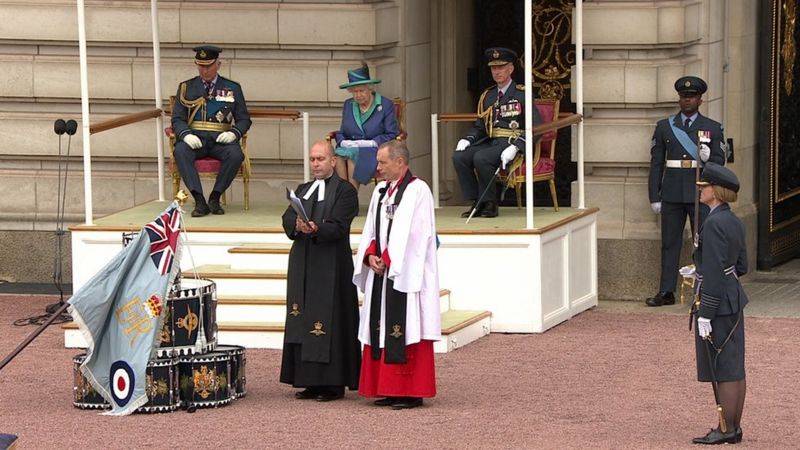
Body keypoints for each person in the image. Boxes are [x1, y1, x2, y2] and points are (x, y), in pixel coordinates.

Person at [353, 140, 441, 410]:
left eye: (382, 162)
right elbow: (371, 227)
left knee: (406, 325)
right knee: (379, 327)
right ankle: (387, 388)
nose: (377, 168)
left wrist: (389, 259)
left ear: (400, 162)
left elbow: (417, 234)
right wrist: (370, 255)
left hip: (404, 274)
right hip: (382, 271)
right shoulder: (381, 191)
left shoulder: (419, 191)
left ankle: (409, 391)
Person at [279, 140, 361, 401]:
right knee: (302, 317)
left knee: (331, 320)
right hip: (303, 262)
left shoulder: (345, 192)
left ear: (333, 161)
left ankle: (332, 383)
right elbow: (287, 217)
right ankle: (308, 380)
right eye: (313, 159)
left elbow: (339, 225)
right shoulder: (303, 189)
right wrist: (297, 225)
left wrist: (316, 229)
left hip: (331, 265)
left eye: (320, 159)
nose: (315, 164)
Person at [646, 76, 727, 306]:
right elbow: (656, 163)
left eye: (691, 97)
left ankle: (706, 290)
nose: (687, 100)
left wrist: (707, 158)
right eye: (684, 97)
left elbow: (720, 162)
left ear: (700, 100)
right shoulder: (664, 127)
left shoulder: (712, 127)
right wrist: (655, 195)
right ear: (679, 99)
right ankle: (666, 291)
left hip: (700, 191)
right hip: (672, 192)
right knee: (669, 242)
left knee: (703, 242)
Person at [688, 162, 747, 444]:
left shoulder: (712, 223)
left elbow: (713, 272)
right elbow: (740, 266)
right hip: (733, 297)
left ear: (717, 191)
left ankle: (725, 429)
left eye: (705, 187)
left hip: (717, 302)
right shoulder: (733, 221)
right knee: (733, 365)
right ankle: (733, 428)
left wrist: (705, 313)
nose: (701, 191)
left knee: (722, 366)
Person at [452, 47, 543, 218]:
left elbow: (536, 126)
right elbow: (480, 126)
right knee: (460, 157)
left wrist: (517, 146)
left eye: (501, 67)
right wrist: (468, 139)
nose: (497, 72)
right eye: (494, 68)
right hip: (491, 139)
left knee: (481, 157)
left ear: (511, 69)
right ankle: (477, 200)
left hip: (509, 141)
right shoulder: (488, 95)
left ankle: (490, 204)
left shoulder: (522, 94)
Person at [171, 45, 251, 217]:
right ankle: (199, 200)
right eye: (200, 65)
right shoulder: (186, 87)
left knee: (236, 154)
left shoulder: (232, 88)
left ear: (218, 65)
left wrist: (234, 133)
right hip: (195, 138)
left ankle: (215, 197)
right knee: (180, 150)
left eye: (208, 66)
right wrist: (185, 135)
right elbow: (177, 118)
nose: (204, 70)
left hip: (220, 139)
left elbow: (244, 119)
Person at [333, 64, 400, 191]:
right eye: (354, 92)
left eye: (361, 91)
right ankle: (344, 195)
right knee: (338, 156)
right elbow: (342, 132)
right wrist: (343, 141)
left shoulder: (385, 105)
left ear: (369, 89)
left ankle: (351, 200)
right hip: (351, 148)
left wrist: (371, 143)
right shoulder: (348, 105)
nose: (358, 95)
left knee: (354, 155)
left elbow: (392, 134)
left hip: (376, 151)